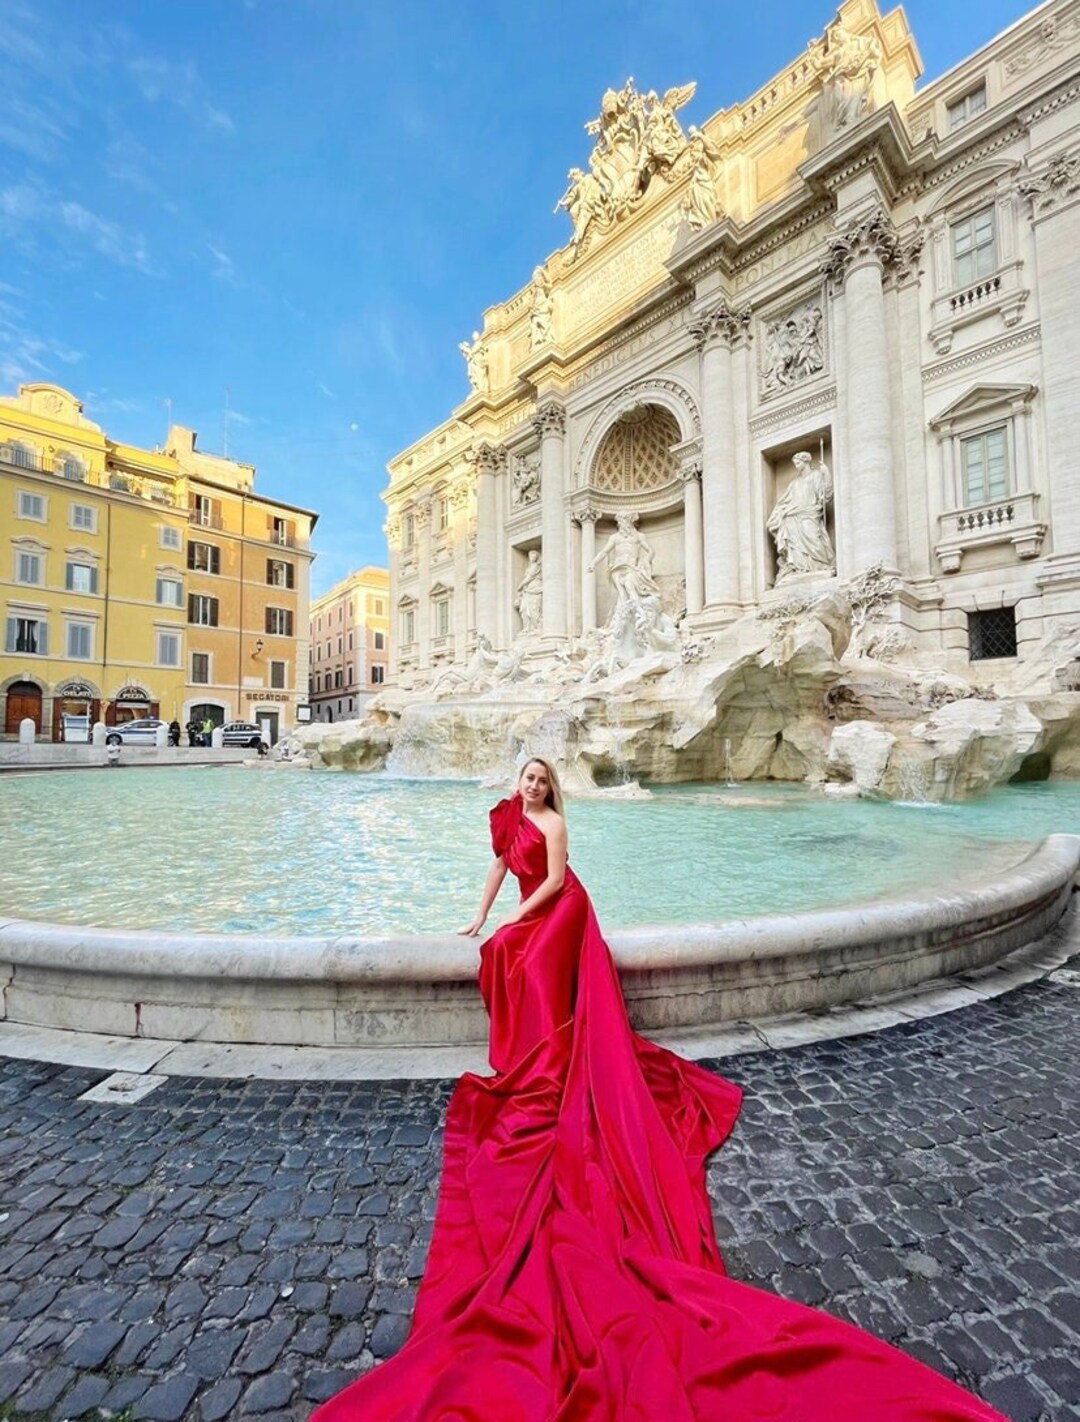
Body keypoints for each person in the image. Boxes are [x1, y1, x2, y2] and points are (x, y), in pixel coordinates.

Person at [312, 758, 1006, 1421]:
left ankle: (550, 1045)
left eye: (542, 781)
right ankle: (535, 1041)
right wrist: (478, 920)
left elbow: (551, 885)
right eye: (528, 778)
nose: (533, 787)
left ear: (553, 791)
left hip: (564, 914)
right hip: (529, 914)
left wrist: (515, 922)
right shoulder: (506, 816)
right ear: (518, 781)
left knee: (526, 958)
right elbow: (499, 870)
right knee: (502, 955)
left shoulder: (553, 826)